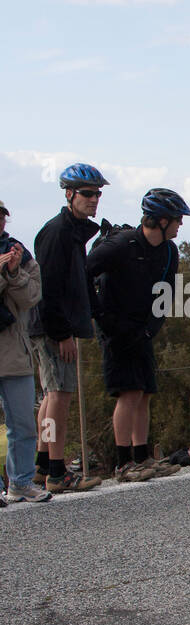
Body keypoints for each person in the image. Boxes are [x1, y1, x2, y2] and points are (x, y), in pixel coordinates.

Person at [86, 187, 190, 482]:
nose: (180, 224)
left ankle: (142, 457)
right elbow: (84, 272)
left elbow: (166, 293)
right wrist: (101, 317)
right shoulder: (122, 245)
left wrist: (150, 328)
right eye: (177, 219)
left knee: (144, 392)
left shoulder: (169, 251)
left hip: (142, 330)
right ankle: (123, 464)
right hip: (115, 329)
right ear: (160, 220)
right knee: (128, 392)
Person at [31, 163, 109, 493]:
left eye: (97, 194)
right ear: (69, 194)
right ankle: (57, 471)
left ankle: (41, 465)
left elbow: (79, 283)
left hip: (57, 326)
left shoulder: (74, 232)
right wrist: (62, 333)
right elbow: (48, 287)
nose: (94, 200)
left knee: (53, 396)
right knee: (59, 397)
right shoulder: (58, 233)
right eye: (88, 194)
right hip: (52, 328)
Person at [0, 201, 52, 503]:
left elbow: (32, 296)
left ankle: (20, 482)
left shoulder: (19, 253)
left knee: (22, 423)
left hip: (15, 352)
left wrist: (15, 271)